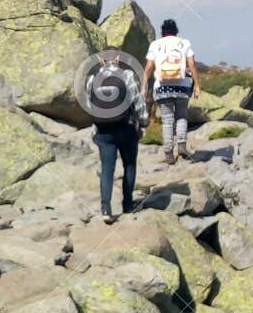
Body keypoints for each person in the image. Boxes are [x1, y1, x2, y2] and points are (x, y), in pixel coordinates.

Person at [85, 51, 146, 223]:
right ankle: (128, 204)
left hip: (103, 131)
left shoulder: (92, 78)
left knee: (107, 169)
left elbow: (90, 105)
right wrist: (143, 123)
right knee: (130, 164)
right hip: (125, 128)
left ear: (101, 61)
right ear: (118, 59)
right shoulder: (126, 75)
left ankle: (106, 208)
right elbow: (138, 102)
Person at [142, 19, 199, 164]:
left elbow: (149, 67)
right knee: (182, 116)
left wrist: (144, 84)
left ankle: (168, 153)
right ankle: (181, 146)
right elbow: (191, 63)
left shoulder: (155, 45)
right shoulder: (184, 43)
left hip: (162, 87)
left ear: (162, 32)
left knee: (167, 120)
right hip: (182, 87)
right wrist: (197, 84)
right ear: (176, 31)